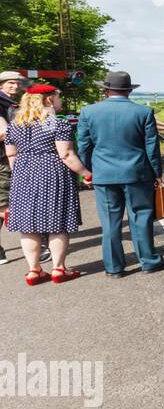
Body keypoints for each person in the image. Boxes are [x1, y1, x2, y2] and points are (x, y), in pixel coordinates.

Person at [76, 71, 164, 278]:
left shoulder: (88, 112)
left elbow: (83, 145)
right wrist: (157, 173)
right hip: (137, 174)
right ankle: (148, 261)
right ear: (129, 90)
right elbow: (152, 147)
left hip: (103, 175)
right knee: (141, 217)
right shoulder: (143, 112)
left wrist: (88, 170)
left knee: (109, 222)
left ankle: (114, 268)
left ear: (106, 90)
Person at [3, 84, 92, 284]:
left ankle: (34, 271)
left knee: (27, 225)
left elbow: (11, 155)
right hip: (53, 173)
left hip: (23, 174)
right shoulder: (56, 124)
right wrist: (86, 173)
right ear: (49, 99)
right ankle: (59, 269)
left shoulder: (15, 124)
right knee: (57, 224)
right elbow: (67, 155)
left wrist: (23, 172)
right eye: (58, 97)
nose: (60, 101)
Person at [0, 71, 25, 265]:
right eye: (10, 83)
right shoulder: (1, 103)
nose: (15, 86)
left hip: (6, 156)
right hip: (3, 159)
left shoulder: (9, 102)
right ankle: (36, 244)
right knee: (5, 203)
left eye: (17, 83)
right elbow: (3, 133)